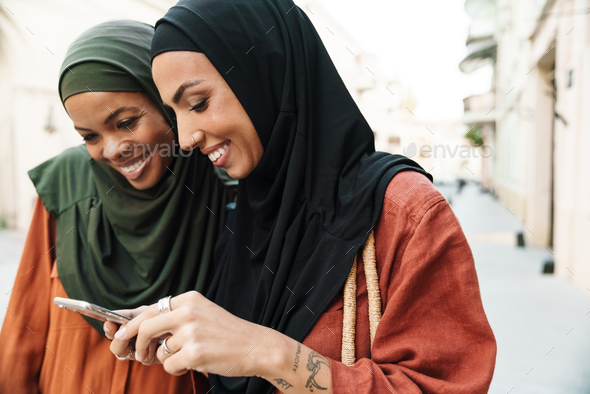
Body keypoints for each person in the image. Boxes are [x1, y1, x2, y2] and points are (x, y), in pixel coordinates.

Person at [110, 1, 497, 393]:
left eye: (197, 103)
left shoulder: (404, 212)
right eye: (175, 114)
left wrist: (264, 351)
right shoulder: (244, 215)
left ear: (267, 73)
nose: (186, 136)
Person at [0, 20, 234, 394]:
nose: (111, 150)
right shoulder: (67, 183)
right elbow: (23, 327)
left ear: (166, 103)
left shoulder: (222, 188)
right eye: (90, 136)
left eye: (125, 123)